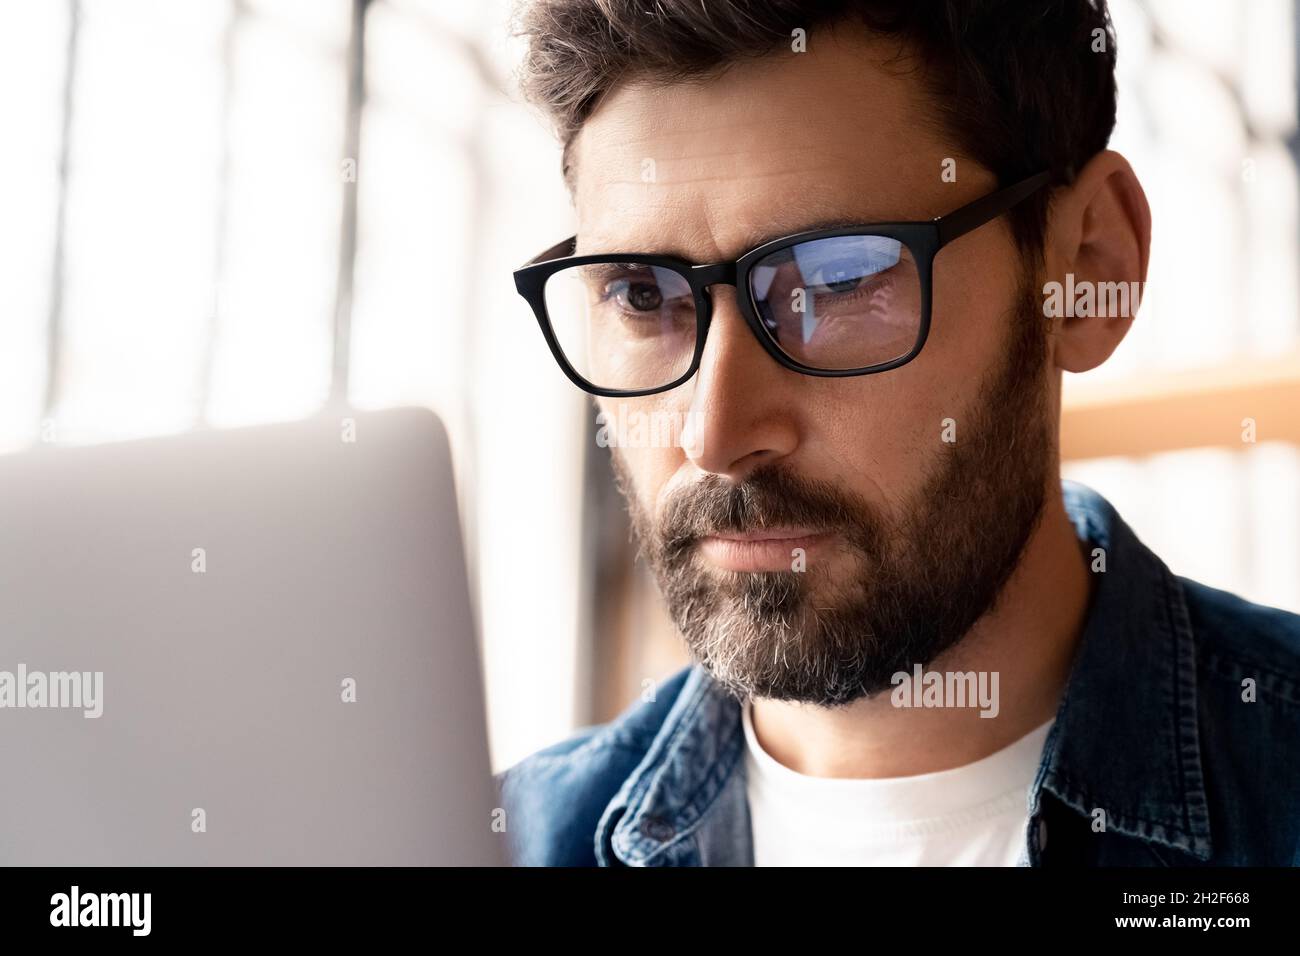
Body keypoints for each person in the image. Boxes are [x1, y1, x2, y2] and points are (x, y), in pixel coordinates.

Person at [497, 0, 1300, 866]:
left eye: (838, 281)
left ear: (1086, 266)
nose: (713, 433)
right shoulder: (496, 841)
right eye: (644, 295)